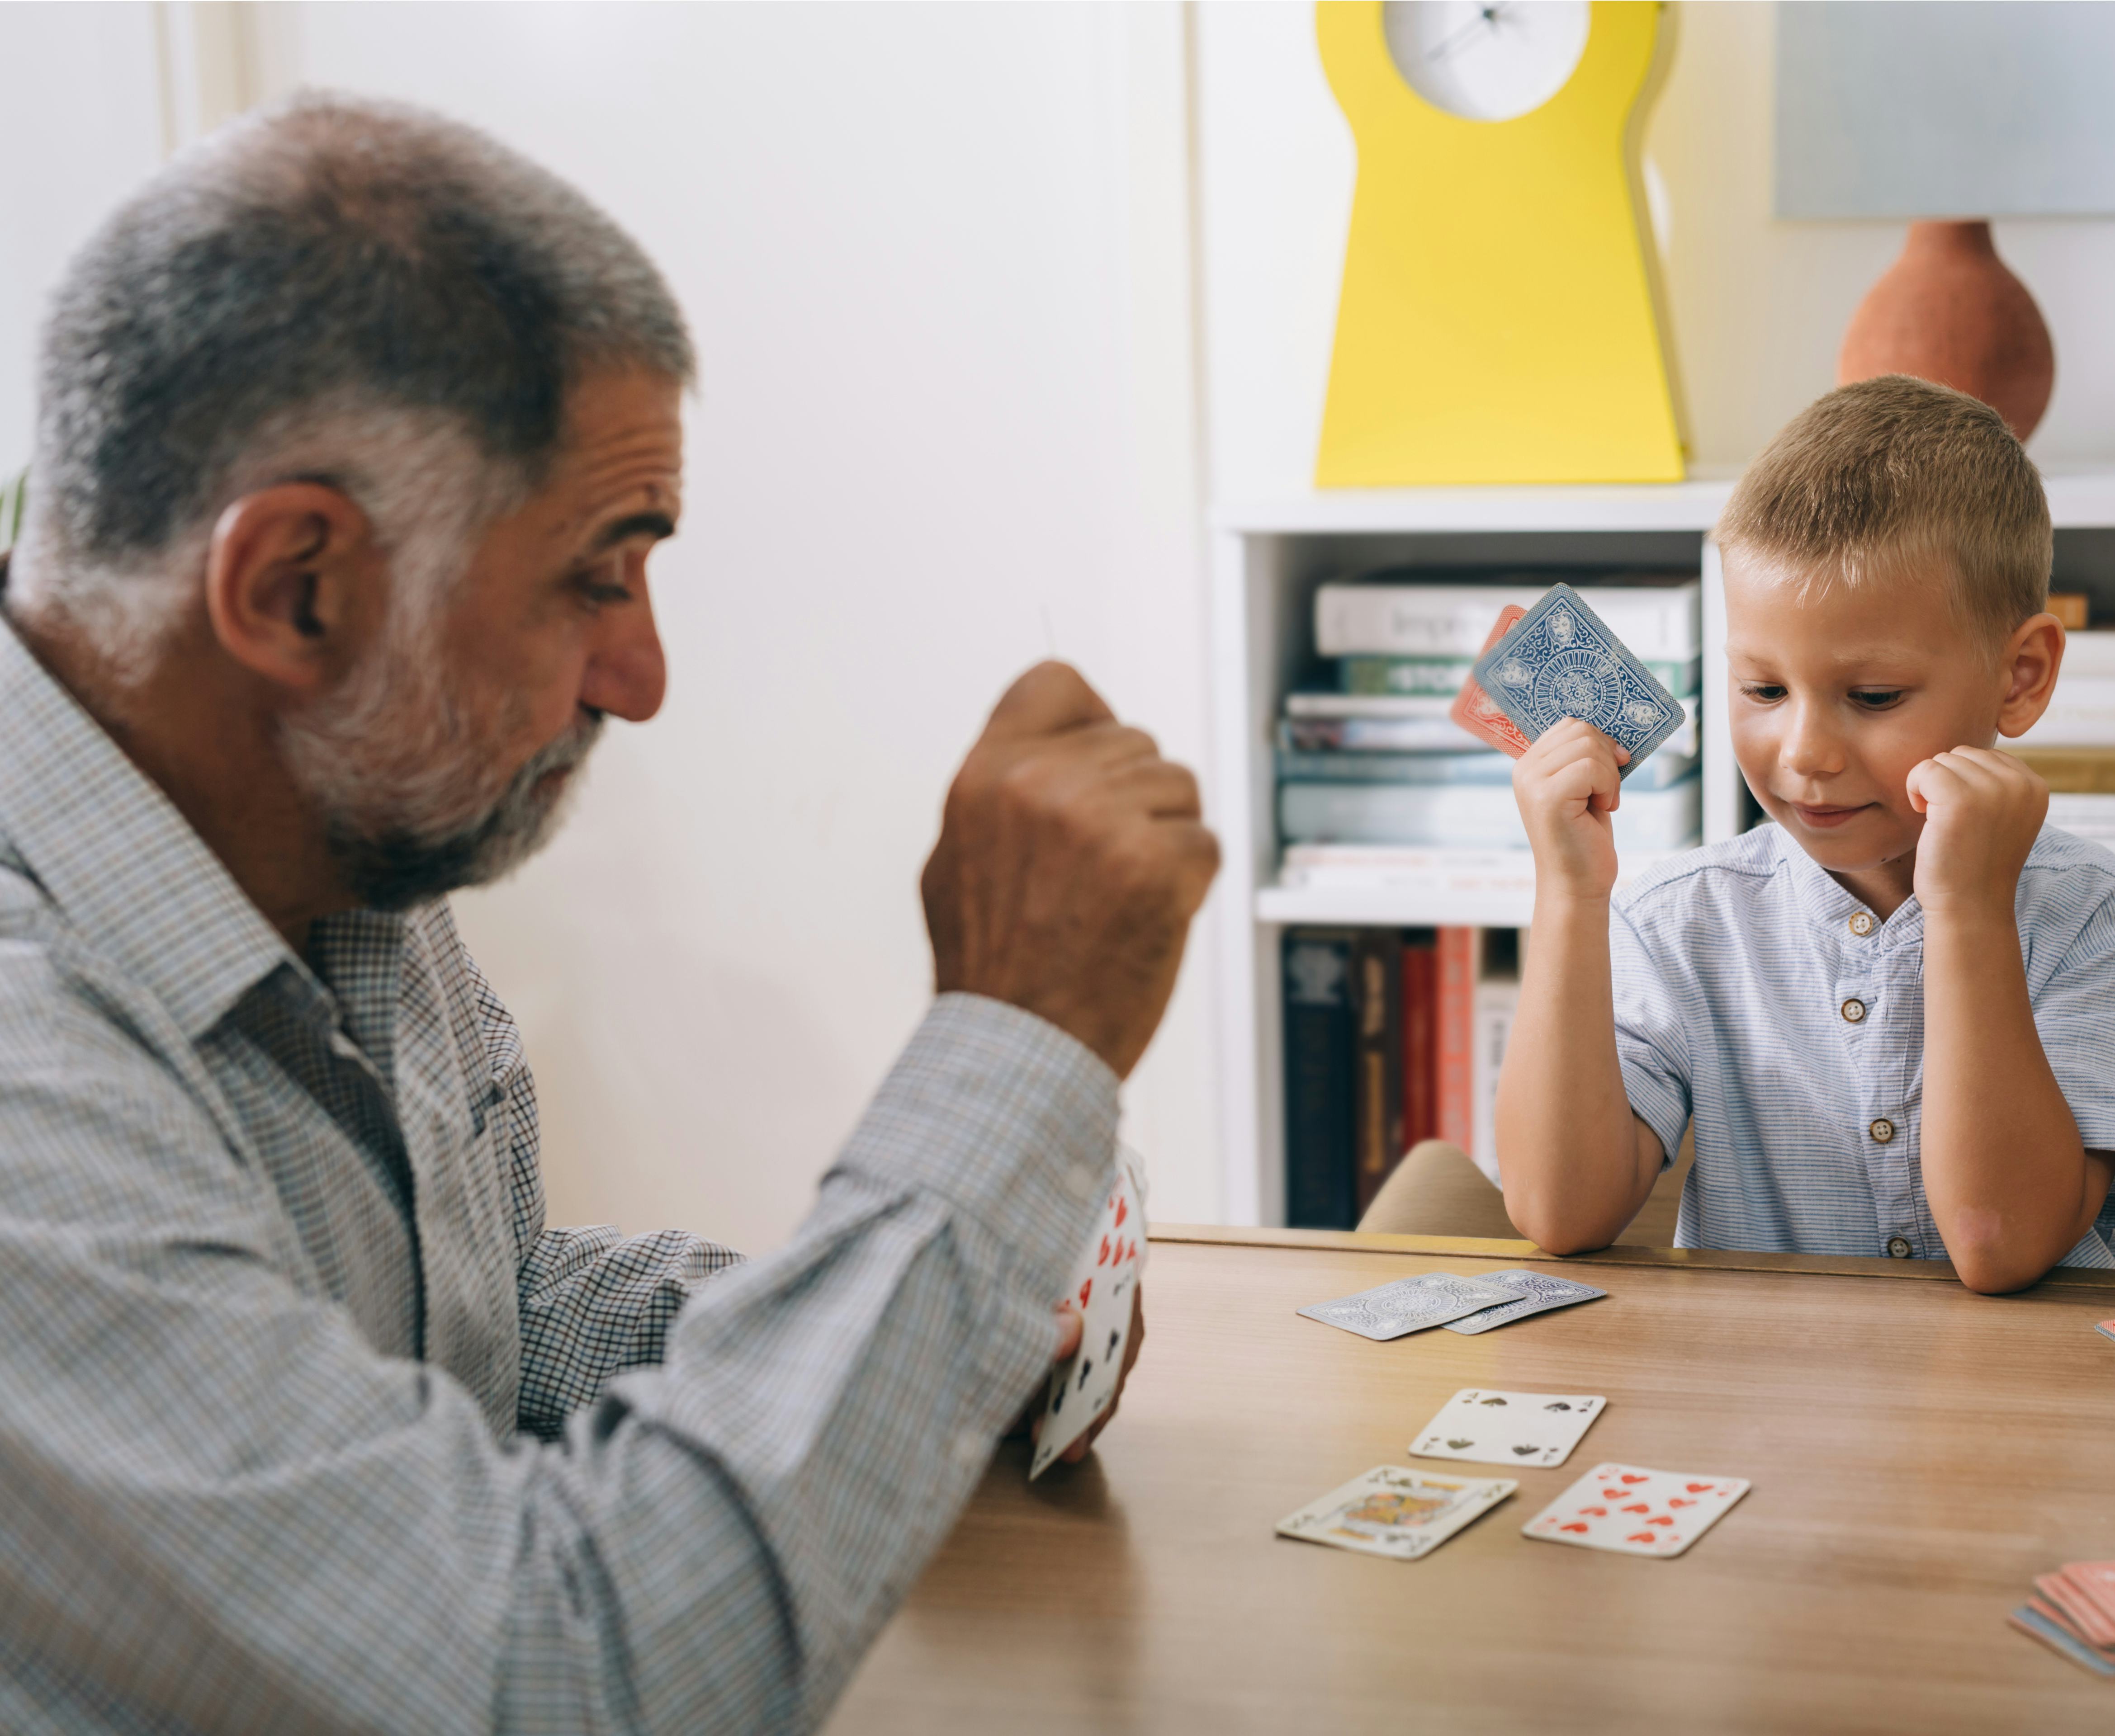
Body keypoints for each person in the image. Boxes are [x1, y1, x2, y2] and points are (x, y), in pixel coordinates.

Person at [0, 94, 1215, 1731]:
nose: (640, 679)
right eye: (599, 573)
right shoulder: (29, 1082)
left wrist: (919, 1340)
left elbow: (464, 1325)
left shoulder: (325, 841)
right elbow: (563, 1680)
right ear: (299, 587)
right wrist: (1014, 1049)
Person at [1495, 375, 2115, 1293]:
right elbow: (1558, 1211)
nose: (1806, 753)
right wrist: (1568, 897)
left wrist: (1970, 912)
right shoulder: (1675, 919)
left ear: (2020, 676)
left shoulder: (2109, 923)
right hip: (1764, 1414)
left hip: (2020, 1419)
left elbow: (2000, 1244)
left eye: (1873, 698)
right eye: (1763, 691)